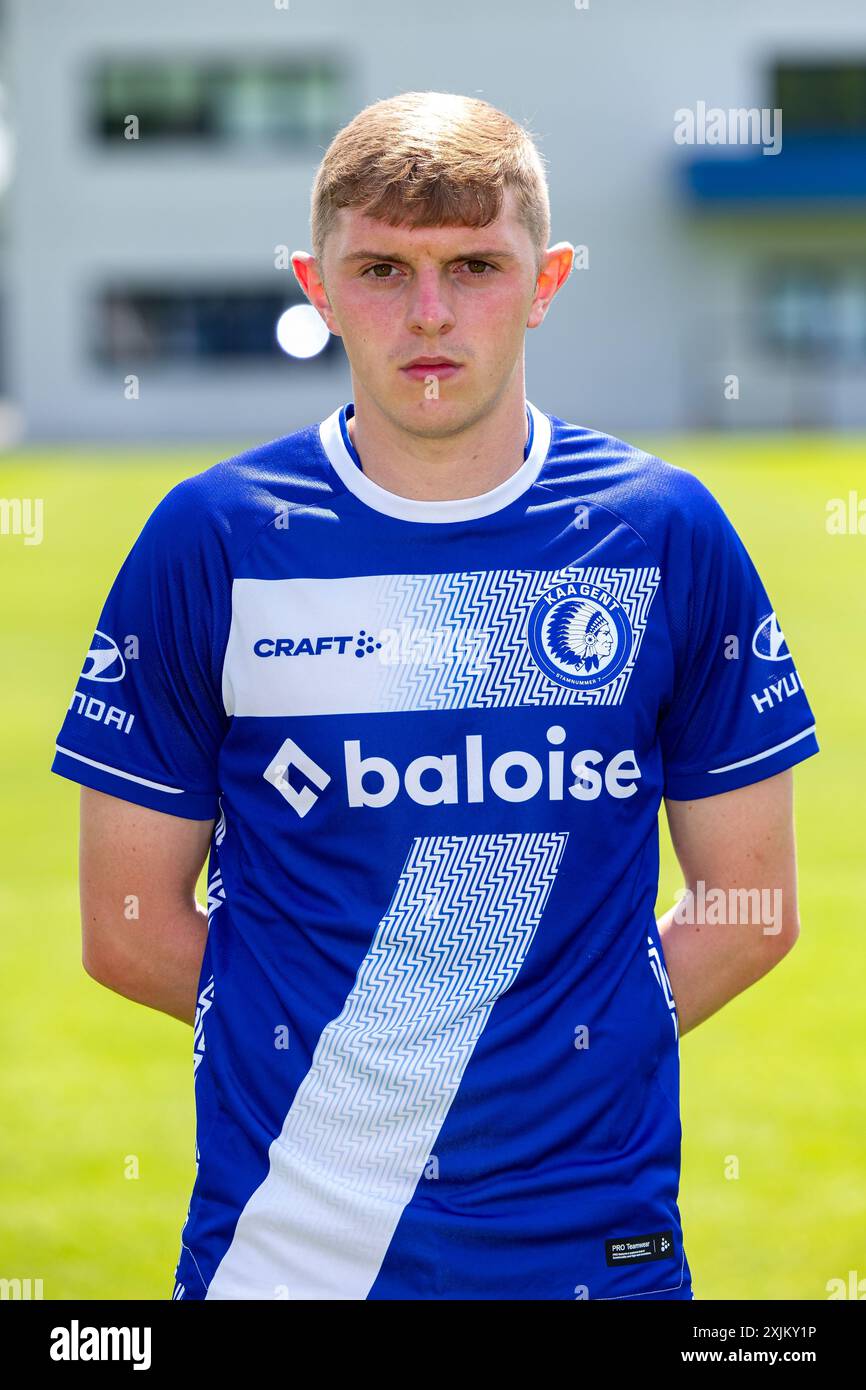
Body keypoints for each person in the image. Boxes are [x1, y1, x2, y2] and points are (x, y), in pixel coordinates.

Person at [50, 90, 819, 1301]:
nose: (428, 313)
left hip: (590, 1256)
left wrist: (565, 1047)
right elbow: (126, 922)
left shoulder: (663, 533)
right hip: (290, 1255)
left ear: (546, 278)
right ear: (314, 282)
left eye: (472, 265)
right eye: (380, 269)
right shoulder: (212, 539)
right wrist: (357, 1069)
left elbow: (753, 900)